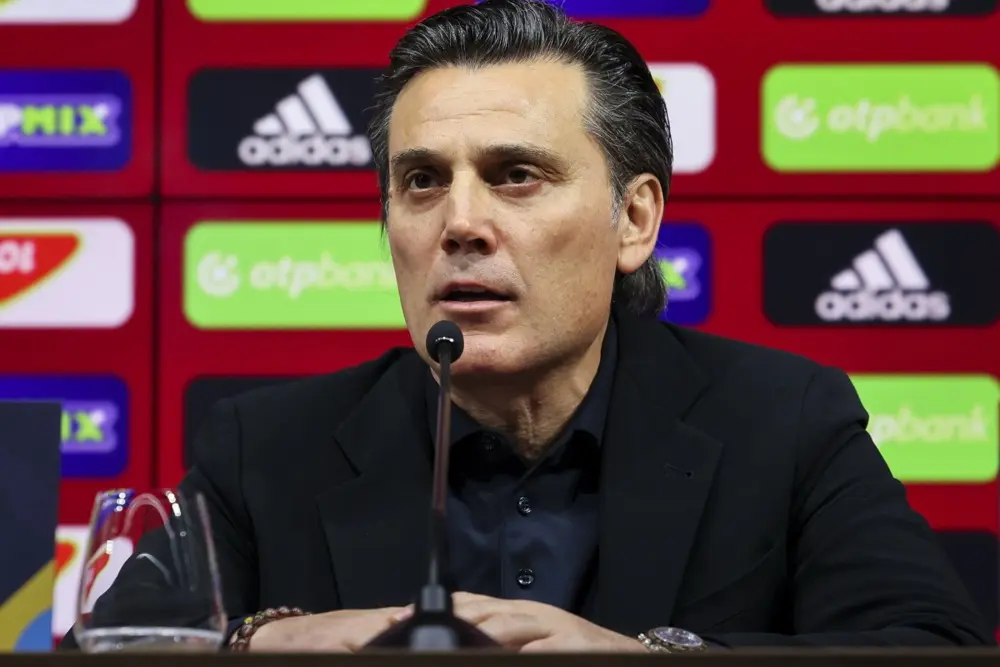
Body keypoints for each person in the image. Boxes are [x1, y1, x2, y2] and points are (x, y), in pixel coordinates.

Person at [62, 0, 994, 653]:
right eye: (421, 180)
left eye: (516, 175)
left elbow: (929, 645)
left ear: (634, 220)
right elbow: (105, 646)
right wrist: (254, 641)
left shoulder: (782, 422)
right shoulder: (268, 448)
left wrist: (654, 657)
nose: (459, 222)